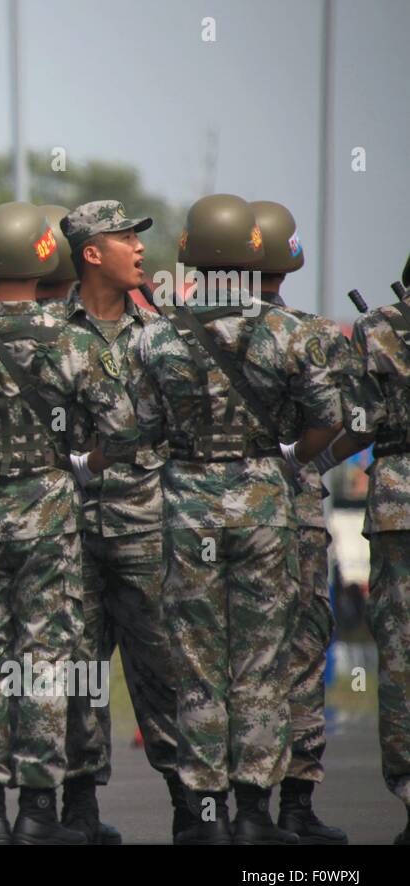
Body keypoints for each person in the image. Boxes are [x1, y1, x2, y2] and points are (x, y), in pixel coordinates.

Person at [0, 201, 139, 845]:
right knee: (44, 662)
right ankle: (40, 809)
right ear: (47, 258)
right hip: (51, 518)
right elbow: (123, 428)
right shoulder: (74, 341)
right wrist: (79, 463)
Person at [133, 194, 343, 845]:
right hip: (265, 506)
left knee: (197, 663)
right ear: (257, 253)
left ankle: (204, 815)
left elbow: (138, 429)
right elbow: (330, 416)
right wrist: (290, 457)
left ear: (191, 254)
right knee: (261, 662)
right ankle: (255, 812)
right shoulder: (292, 333)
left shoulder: (157, 336)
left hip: (187, 504)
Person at [57, 200, 182, 844]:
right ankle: (78, 809)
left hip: (149, 521)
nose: (139, 247)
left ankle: (194, 809)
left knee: (165, 664)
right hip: (70, 528)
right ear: (91, 253)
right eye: (124, 237)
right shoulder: (53, 331)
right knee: (77, 670)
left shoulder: (164, 332)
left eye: (139, 237)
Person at [248, 199, 350, 845]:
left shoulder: (188, 334)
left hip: (216, 520)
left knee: (232, 659)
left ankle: (235, 807)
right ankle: (295, 806)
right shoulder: (310, 335)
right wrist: (301, 461)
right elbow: (346, 421)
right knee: (299, 659)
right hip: (299, 516)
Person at [326, 252, 410, 845]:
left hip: (399, 504)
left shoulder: (379, 328)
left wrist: (306, 459)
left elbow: (355, 422)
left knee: (402, 660)